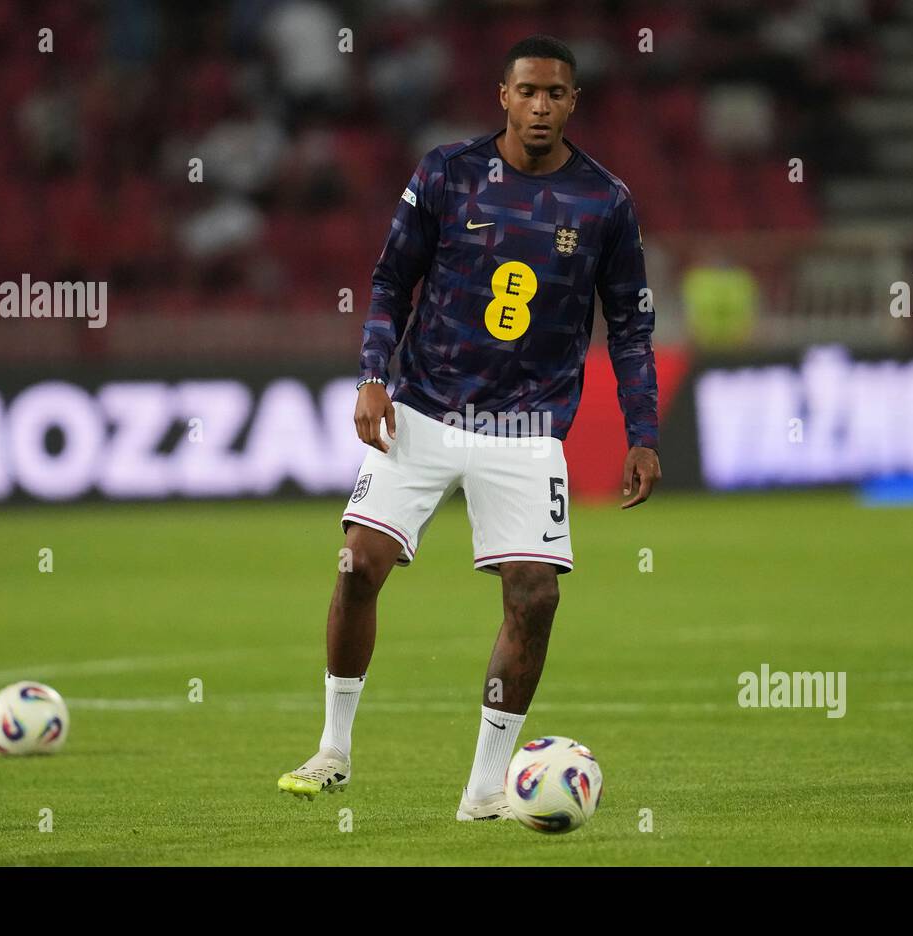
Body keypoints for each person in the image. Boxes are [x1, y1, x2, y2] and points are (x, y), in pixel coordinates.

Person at [277, 35, 661, 821]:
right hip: (422, 407)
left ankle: (487, 787)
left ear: (573, 102)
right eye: (528, 92)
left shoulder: (604, 201)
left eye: (557, 93)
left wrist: (642, 431)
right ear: (503, 96)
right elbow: (390, 281)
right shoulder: (448, 173)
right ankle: (334, 749)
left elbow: (629, 324)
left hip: (525, 429)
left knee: (535, 598)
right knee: (356, 564)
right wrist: (374, 378)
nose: (542, 106)